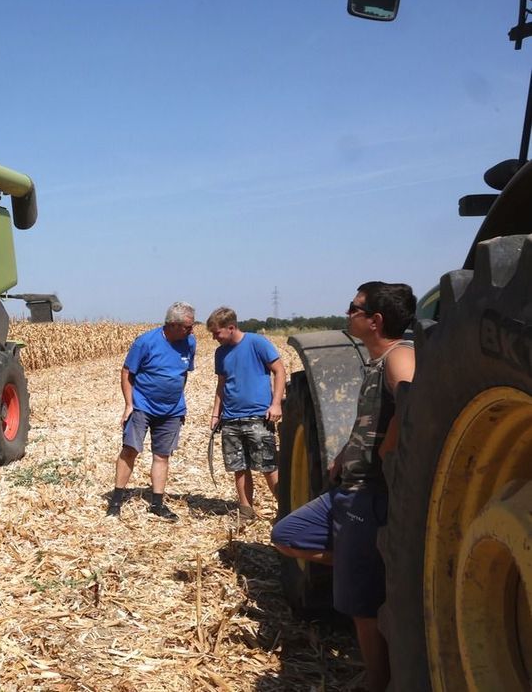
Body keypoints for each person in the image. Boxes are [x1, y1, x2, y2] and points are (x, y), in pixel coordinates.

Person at [270, 282, 416, 692]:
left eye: (354, 308)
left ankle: (377, 681)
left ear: (376, 321)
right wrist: (345, 454)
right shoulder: (376, 360)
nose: (347, 313)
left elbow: (410, 399)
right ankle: (369, 565)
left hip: (368, 494)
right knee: (286, 534)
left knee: (361, 607)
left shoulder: (399, 355)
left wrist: (386, 450)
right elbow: (376, 416)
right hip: (349, 488)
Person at [107, 301, 197, 522]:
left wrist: (178, 401)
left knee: (162, 455)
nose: (192, 330)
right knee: (130, 450)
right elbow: (127, 372)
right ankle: (116, 502)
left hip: (172, 410)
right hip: (142, 405)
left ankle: (157, 504)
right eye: (187, 326)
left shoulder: (190, 343)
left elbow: (183, 374)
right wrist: (129, 404)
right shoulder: (146, 342)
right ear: (172, 325)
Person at [207, 307, 285, 520]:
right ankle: (246, 511)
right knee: (239, 467)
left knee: (268, 466)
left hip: (258, 417)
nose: (214, 338)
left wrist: (276, 404)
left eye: (217, 333)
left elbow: (279, 370)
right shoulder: (220, 352)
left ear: (231, 328)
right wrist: (216, 414)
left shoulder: (257, 343)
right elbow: (221, 385)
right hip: (230, 419)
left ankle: (286, 510)